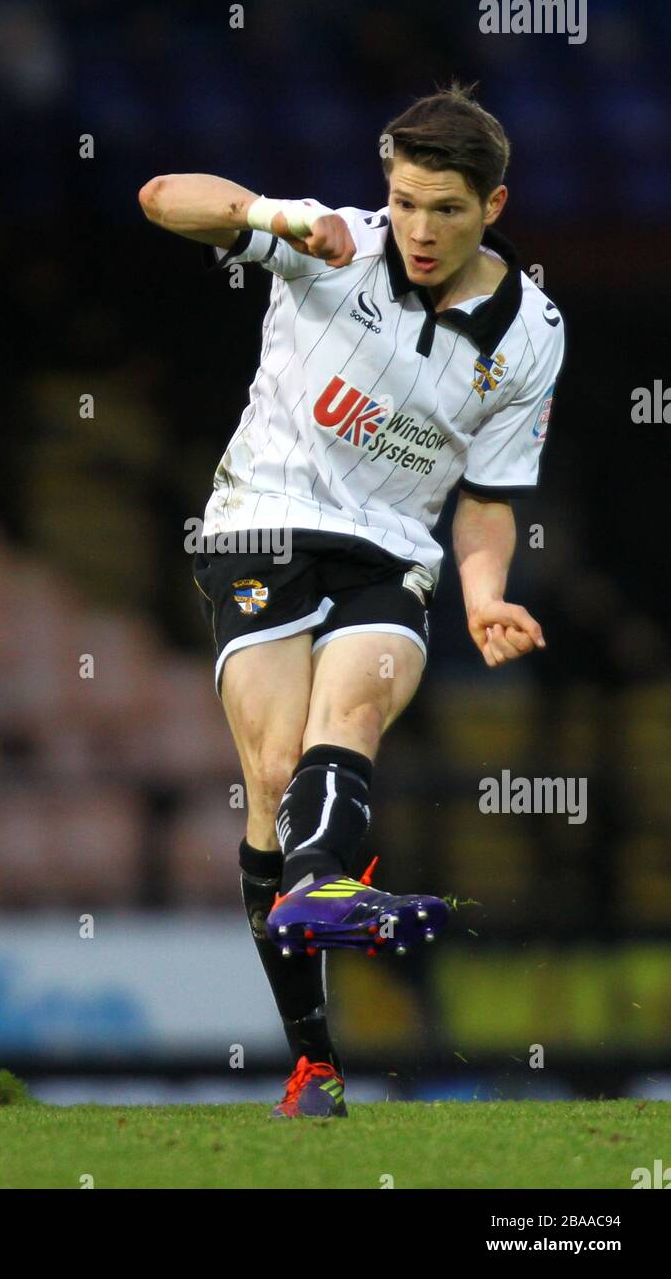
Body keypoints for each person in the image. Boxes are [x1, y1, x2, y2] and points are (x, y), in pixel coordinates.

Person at [138, 82, 565, 1118]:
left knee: (355, 711)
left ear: (492, 209)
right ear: (387, 188)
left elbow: (486, 497)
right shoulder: (331, 244)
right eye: (406, 202)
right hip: (262, 522)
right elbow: (159, 195)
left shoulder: (531, 332)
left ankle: (322, 887)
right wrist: (265, 215)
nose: (418, 230)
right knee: (273, 776)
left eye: (447, 210)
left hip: (389, 550)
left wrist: (482, 594)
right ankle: (312, 1060)